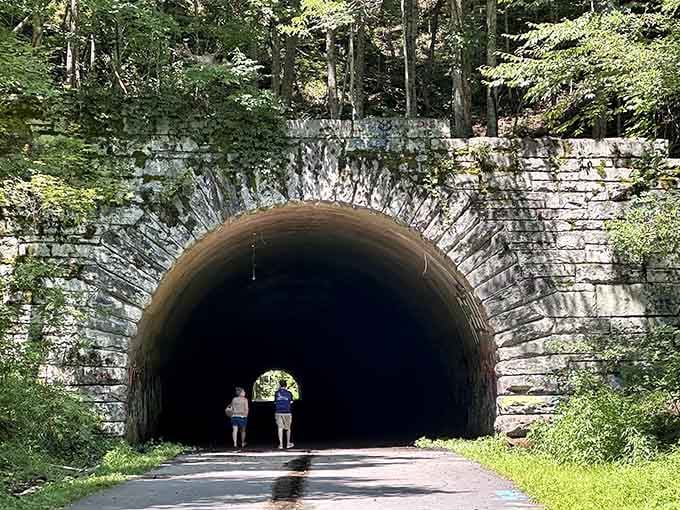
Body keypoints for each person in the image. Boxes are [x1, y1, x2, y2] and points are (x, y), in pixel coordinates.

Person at [274, 380, 294, 449]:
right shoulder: (289, 393)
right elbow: (291, 402)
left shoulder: (276, 393)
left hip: (278, 412)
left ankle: (281, 445)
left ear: (279, 385)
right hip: (287, 412)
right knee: (288, 428)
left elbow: (275, 402)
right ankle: (288, 444)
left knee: (280, 428)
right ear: (286, 385)